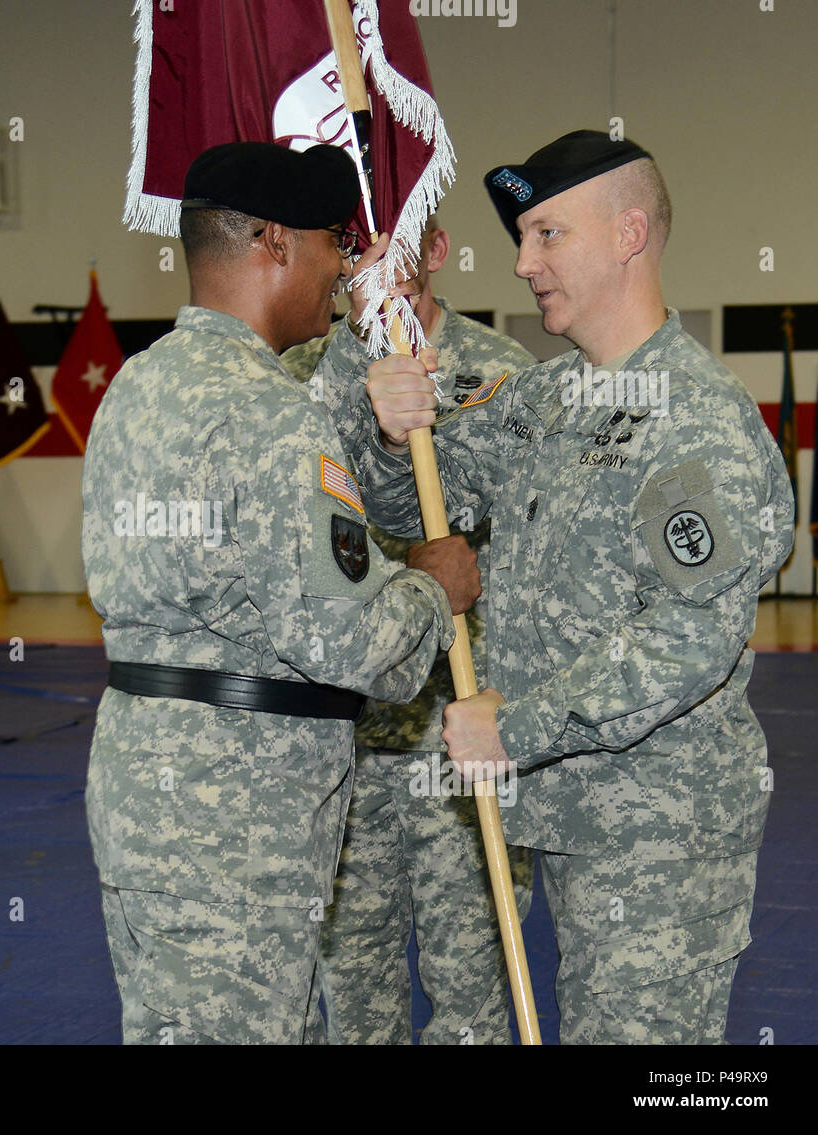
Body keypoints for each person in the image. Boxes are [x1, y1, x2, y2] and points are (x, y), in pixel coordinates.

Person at [335, 131, 793, 1043]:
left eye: (548, 234)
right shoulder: (551, 399)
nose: (521, 262)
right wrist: (393, 424)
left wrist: (516, 726)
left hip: (661, 842)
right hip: (577, 820)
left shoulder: (697, 419)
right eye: (523, 238)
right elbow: (417, 494)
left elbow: (687, 639)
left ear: (629, 233)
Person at [81, 141, 480, 1045]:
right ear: (272, 243)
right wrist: (431, 586)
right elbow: (346, 639)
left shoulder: (136, 388)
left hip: (148, 784)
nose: (343, 266)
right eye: (331, 242)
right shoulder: (266, 413)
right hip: (240, 813)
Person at [292, 214, 538, 1044]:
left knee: (472, 992)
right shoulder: (304, 379)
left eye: (395, 247)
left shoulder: (506, 377)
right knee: (353, 991)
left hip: (459, 742)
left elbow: (541, 563)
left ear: (437, 249)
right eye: (355, 248)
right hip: (345, 745)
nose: (374, 268)